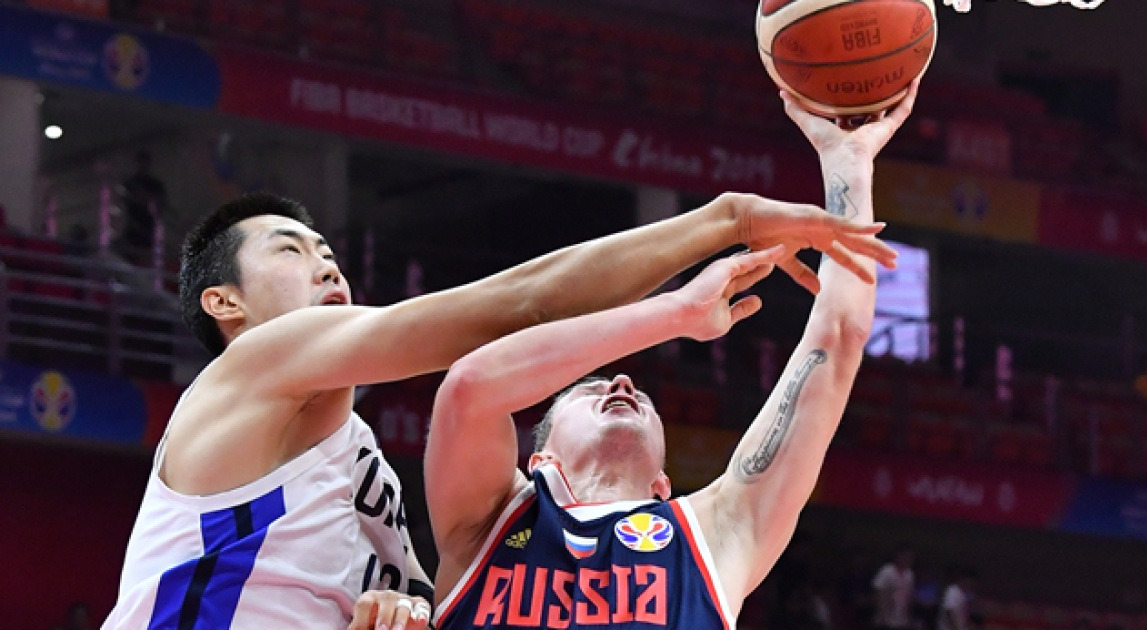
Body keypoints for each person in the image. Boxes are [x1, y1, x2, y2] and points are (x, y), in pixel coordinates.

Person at [103, 145, 892, 626]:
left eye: (326, 247)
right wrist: (727, 220)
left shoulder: (364, 465)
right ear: (225, 304)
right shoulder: (250, 370)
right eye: (288, 249)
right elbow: (516, 312)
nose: (326, 262)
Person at [422, 84, 917, 629]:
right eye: (589, 390)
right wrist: (679, 312)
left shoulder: (714, 532)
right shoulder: (488, 522)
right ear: (539, 463)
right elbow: (471, 387)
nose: (622, 384)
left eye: (640, 397)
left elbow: (838, 335)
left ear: (662, 483)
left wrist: (847, 160)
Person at [117, 149, 168, 265]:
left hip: (149, 227)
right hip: (132, 225)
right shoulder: (130, 183)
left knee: (148, 255)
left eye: (144, 162)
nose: (142, 165)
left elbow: (161, 204)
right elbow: (123, 199)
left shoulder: (155, 184)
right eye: (140, 162)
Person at [874, 547, 917, 630]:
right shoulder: (886, 571)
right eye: (905, 556)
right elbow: (878, 593)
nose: (908, 560)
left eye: (910, 557)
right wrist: (882, 614)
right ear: (898, 556)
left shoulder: (910, 574)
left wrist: (909, 616)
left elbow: (909, 596)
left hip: (901, 619)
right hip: (885, 618)